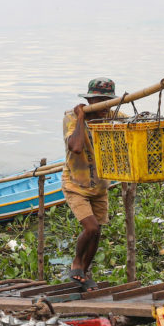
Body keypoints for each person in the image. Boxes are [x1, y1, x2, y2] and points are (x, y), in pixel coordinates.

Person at [62, 76, 120, 290]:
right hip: (76, 185)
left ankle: (83, 274)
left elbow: (136, 121)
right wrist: (81, 118)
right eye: (100, 102)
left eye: (108, 102)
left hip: (101, 186)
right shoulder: (71, 117)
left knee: (97, 232)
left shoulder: (111, 116)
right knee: (91, 227)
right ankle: (77, 262)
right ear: (90, 101)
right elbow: (76, 147)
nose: (105, 106)